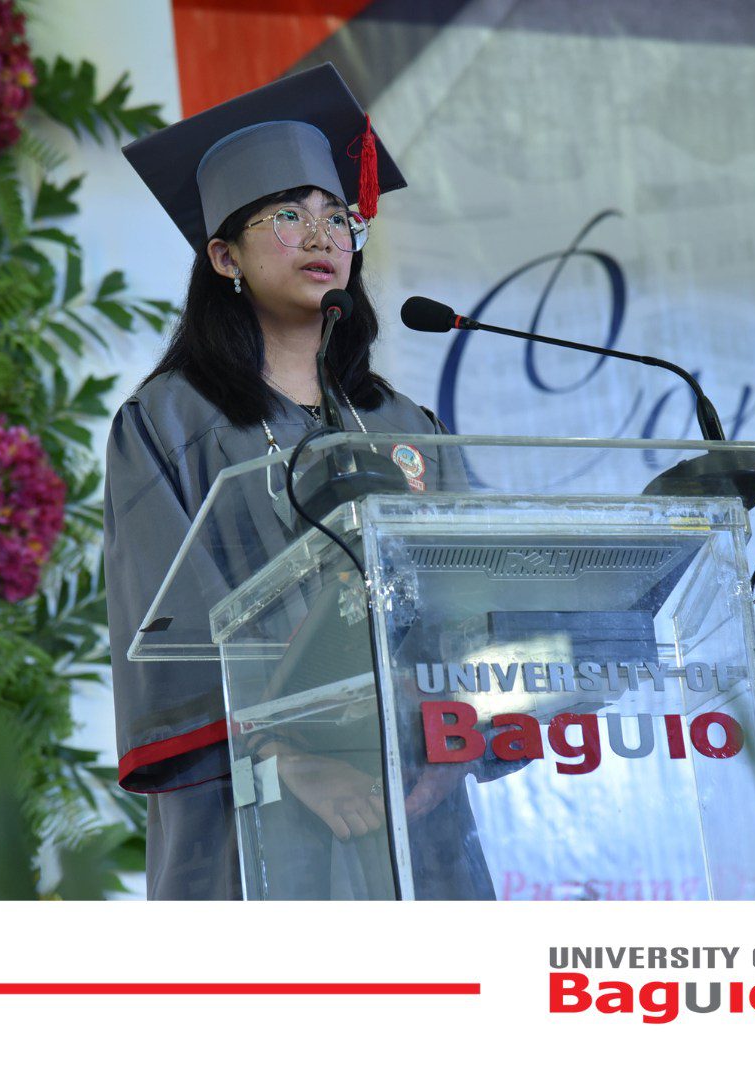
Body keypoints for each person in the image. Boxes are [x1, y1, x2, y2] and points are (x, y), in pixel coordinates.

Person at [105, 64, 481, 900]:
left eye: (338, 216)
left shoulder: (405, 424)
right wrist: (286, 759)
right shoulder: (168, 421)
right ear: (224, 255)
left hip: (415, 798)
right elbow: (162, 615)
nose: (322, 237)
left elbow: (466, 594)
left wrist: (453, 750)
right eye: (288, 216)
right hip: (254, 803)